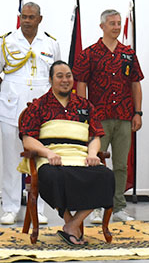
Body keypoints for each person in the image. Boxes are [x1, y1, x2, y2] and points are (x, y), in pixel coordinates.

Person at [18, 61, 115, 246]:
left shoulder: (85, 106)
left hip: (80, 157)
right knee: (51, 176)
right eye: (59, 76)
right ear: (50, 79)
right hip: (51, 158)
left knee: (106, 176)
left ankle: (73, 224)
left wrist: (93, 154)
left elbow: (95, 136)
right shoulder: (39, 106)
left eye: (68, 76)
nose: (65, 80)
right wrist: (47, 153)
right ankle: (70, 222)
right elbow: (27, 139)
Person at [0, 2, 60, 225]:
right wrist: (8, 93)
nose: (26, 21)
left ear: (40, 18)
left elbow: (56, 75)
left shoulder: (51, 43)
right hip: (11, 109)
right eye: (23, 17)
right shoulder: (5, 42)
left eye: (31, 17)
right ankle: (10, 208)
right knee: (11, 159)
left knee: (42, 159)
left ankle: (39, 208)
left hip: (41, 111)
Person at [73, 9, 143, 223]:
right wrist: (84, 115)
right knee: (94, 163)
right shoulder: (89, 53)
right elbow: (81, 84)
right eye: (112, 23)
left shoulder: (128, 54)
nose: (116, 27)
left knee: (121, 165)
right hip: (98, 117)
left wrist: (138, 112)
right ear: (102, 26)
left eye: (119, 23)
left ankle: (119, 206)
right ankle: (93, 207)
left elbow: (136, 84)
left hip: (123, 116)